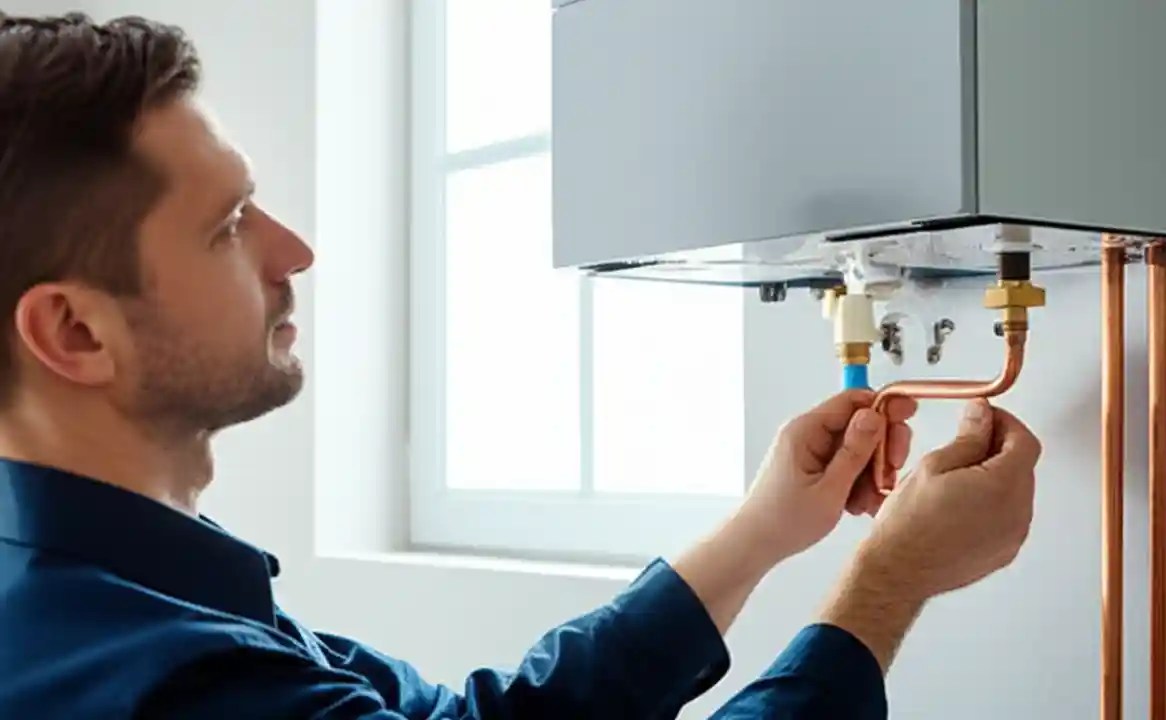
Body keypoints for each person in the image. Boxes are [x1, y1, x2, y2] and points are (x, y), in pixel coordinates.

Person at [0, 13, 1042, 719]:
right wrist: (887, 584)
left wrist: (764, 530)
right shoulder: (168, 682)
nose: (294, 252)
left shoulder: (133, 587)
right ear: (76, 333)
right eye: (228, 225)